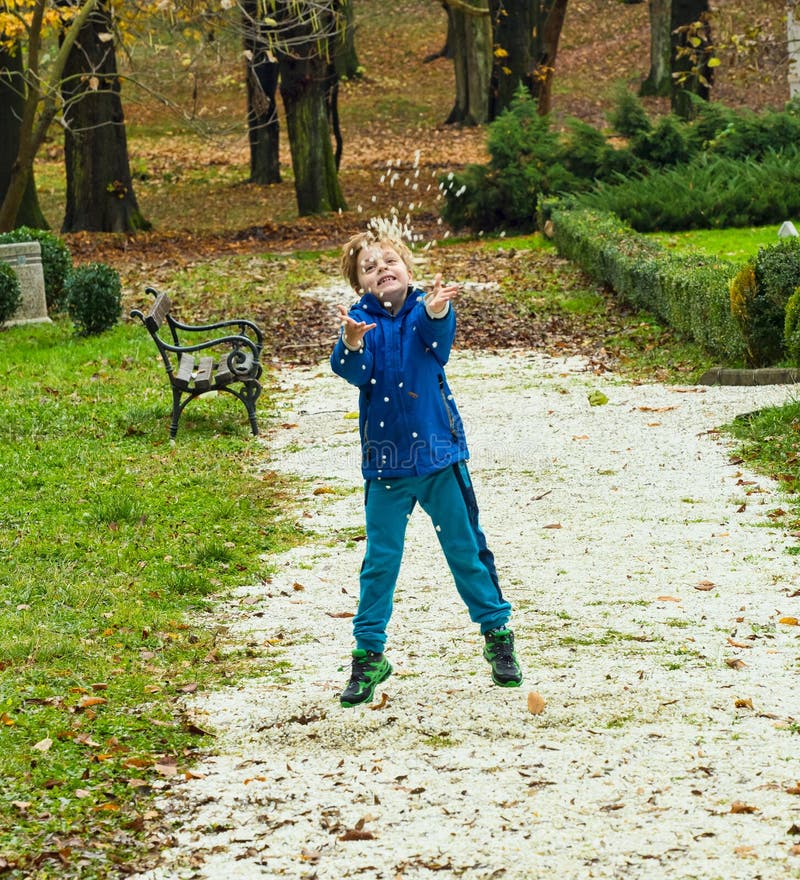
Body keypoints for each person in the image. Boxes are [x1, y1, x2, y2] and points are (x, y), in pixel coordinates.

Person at [330, 229, 522, 707]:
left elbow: (439, 344)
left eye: (389, 261)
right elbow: (352, 370)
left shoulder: (423, 311)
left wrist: (438, 312)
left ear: (408, 271)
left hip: (439, 458)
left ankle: (497, 633)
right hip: (386, 468)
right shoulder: (360, 321)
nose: (381, 270)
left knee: (465, 549)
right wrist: (351, 344)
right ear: (360, 286)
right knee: (379, 564)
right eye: (369, 268)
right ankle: (368, 654)